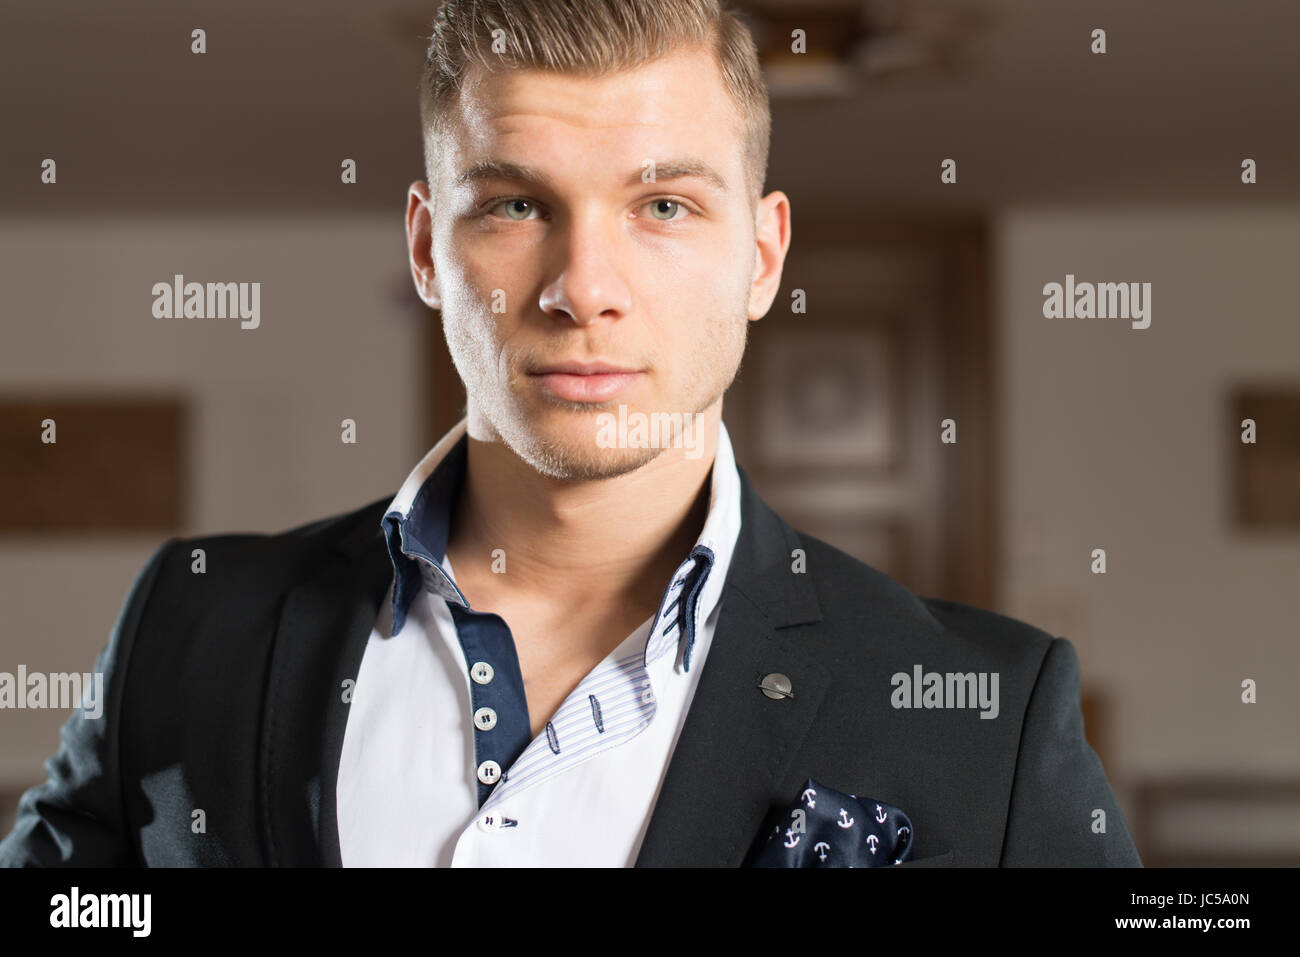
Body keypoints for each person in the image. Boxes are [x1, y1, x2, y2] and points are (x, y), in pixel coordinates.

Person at [0, 0, 1140, 867]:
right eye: (515, 205)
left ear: (761, 255)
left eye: (663, 207)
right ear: (425, 250)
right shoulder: (188, 623)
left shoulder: (988, 711)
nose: (584, 287)